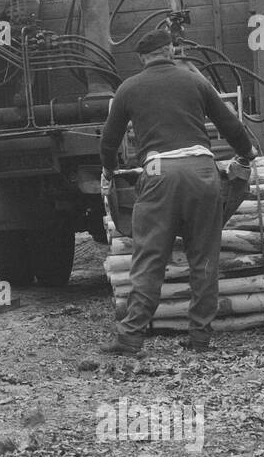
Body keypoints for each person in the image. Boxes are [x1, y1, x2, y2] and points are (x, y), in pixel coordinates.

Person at [97, 28, 255, 353]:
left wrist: (109, 170)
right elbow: (232, 126)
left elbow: (109, 140)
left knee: (150, 257)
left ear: (142, 59)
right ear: (170, 50)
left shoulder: (128, 88)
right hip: (202, 170)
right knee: (204, 258)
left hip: (158, 173)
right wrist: (245, 155)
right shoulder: (197, 83)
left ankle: (130, 337)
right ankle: (200, 338)